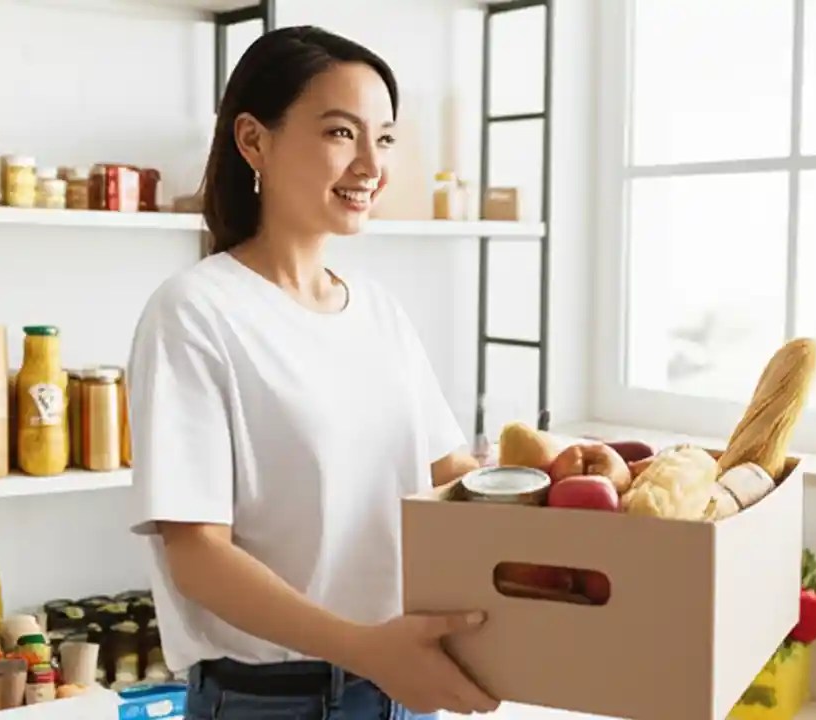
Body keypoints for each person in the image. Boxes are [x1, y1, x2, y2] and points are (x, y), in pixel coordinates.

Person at [125, 25, 501, 720]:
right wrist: (366, 649)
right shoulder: (195, 313)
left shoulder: (378, 311)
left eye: (384, 138)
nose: (371, 165)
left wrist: (564, 483)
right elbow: (198, 555)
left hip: (406, 687)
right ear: (253, 141)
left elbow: (450, 476)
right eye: (340, 133)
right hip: (272, 703)